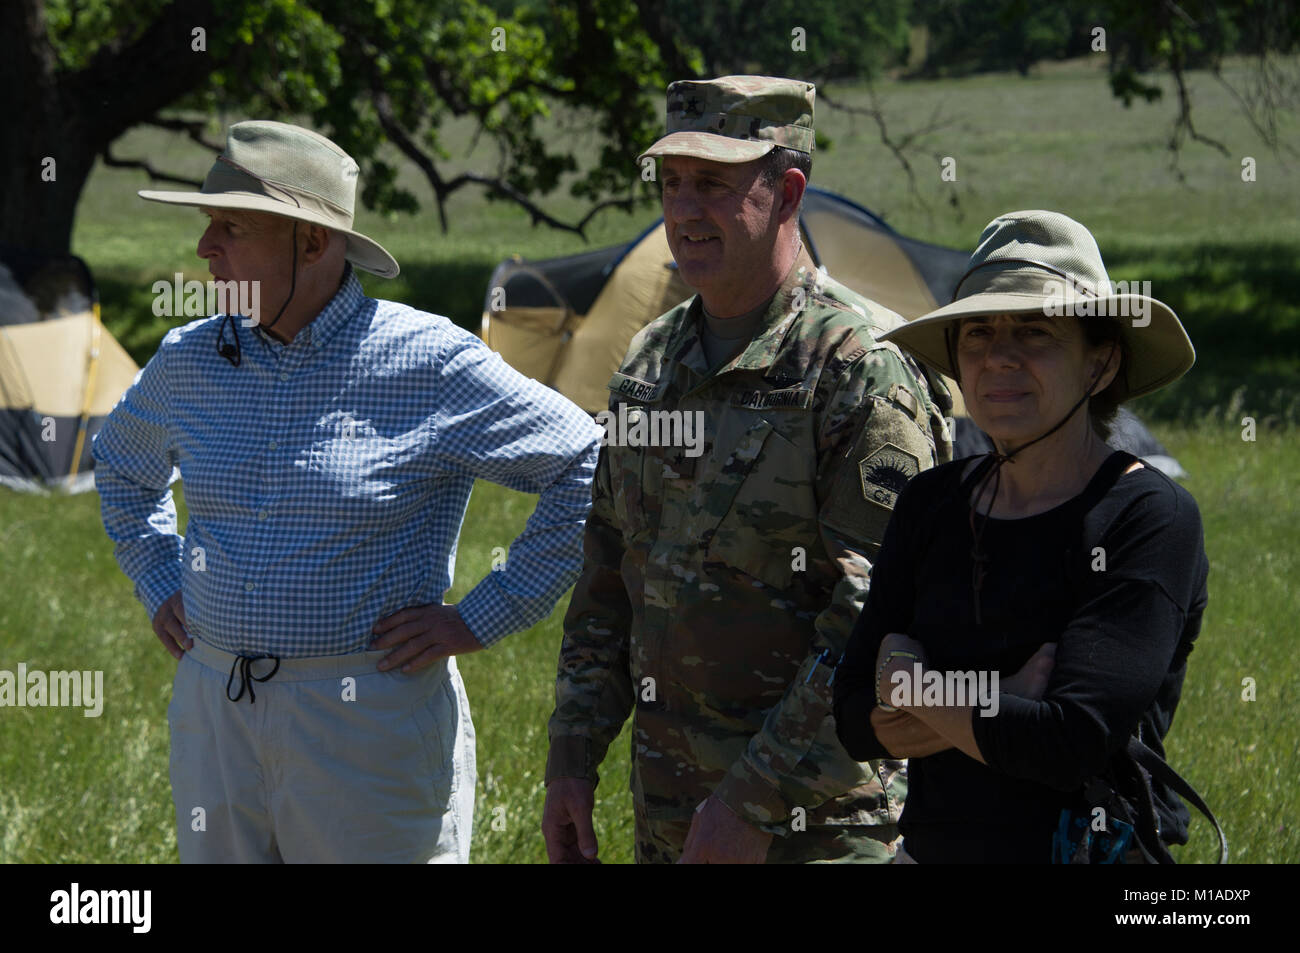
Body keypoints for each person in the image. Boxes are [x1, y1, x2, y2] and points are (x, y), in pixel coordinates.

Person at [92, 120, 602, 863]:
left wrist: (481, 616)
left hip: (366, 726)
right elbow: (121, 466)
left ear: (312, 242)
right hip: (215, 713)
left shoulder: (428, 361)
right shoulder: (188, 360)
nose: (205, 248)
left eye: (231, 226)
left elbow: (583, 461)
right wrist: (158, 575)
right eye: (208, 225)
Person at [542, 76, 952, 864]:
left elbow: (873, 614)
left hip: (816, 827)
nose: (685, 210)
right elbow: (606, 569)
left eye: (714, 184)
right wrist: (572, 755)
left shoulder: (861, 369)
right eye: (672, 183)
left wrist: (752, 800)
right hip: (670, 820)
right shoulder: (651, 360)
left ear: (788, 189)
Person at [832, 210, 1208, 863]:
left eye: (1033, 332)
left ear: (1101, 362)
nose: (999, 355)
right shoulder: (932, 501)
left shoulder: (1147, 515)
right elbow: (853, 712)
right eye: (978, 333)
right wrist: (1002, 693)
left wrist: (916, 683)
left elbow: (1069, 742)